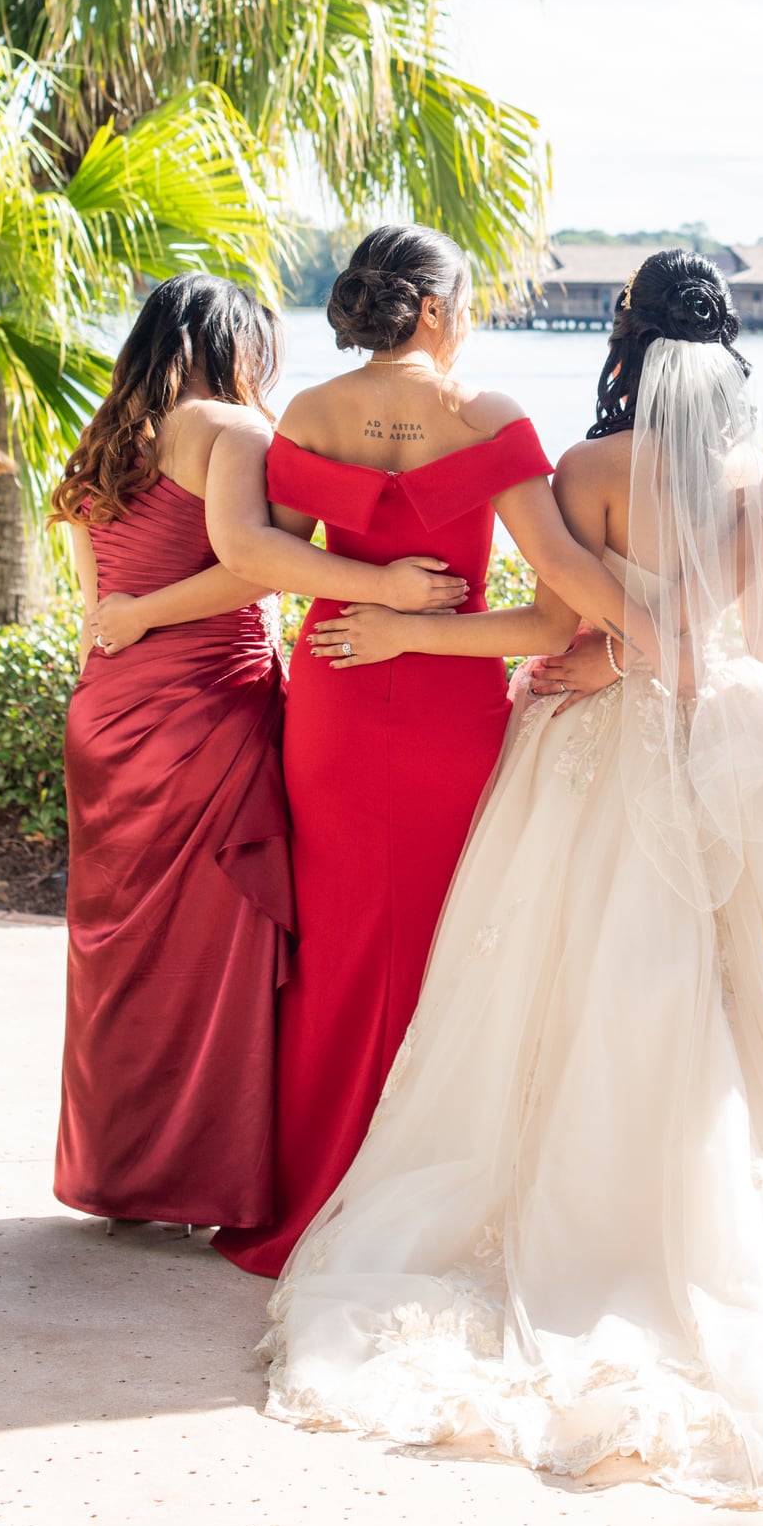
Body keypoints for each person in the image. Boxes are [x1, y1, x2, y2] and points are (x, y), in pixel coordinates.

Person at [257, 251, 763, 1509]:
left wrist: (606, 657)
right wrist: (714, 681)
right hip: (735, 727)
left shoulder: (585, 472)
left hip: (603, 725)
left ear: (627, 342)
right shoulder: (762, 468)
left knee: (574, 983)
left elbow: (557, 627)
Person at [209, 225, 638, 1279]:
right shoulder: (482, 414)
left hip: (339, 693)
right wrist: (656, 637)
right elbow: (554, 580)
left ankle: (314, 1190)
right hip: (451, 703)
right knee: (460, 934)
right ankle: (427, 1180)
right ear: (440, 310)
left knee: (343, 941)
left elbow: (261, 552)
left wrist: (373, 589)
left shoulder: (308, 411)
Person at [53, 275, 448, 1230]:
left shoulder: (98, 444)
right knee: (215, 957)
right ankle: (204, 1180)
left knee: (125, 964)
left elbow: (93, 602)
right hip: (204, 712)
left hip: (107, 714)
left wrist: (125, 632)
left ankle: (119, 1177)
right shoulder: (233, 432)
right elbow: (248, 561)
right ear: (237, 344)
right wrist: (385, 585)